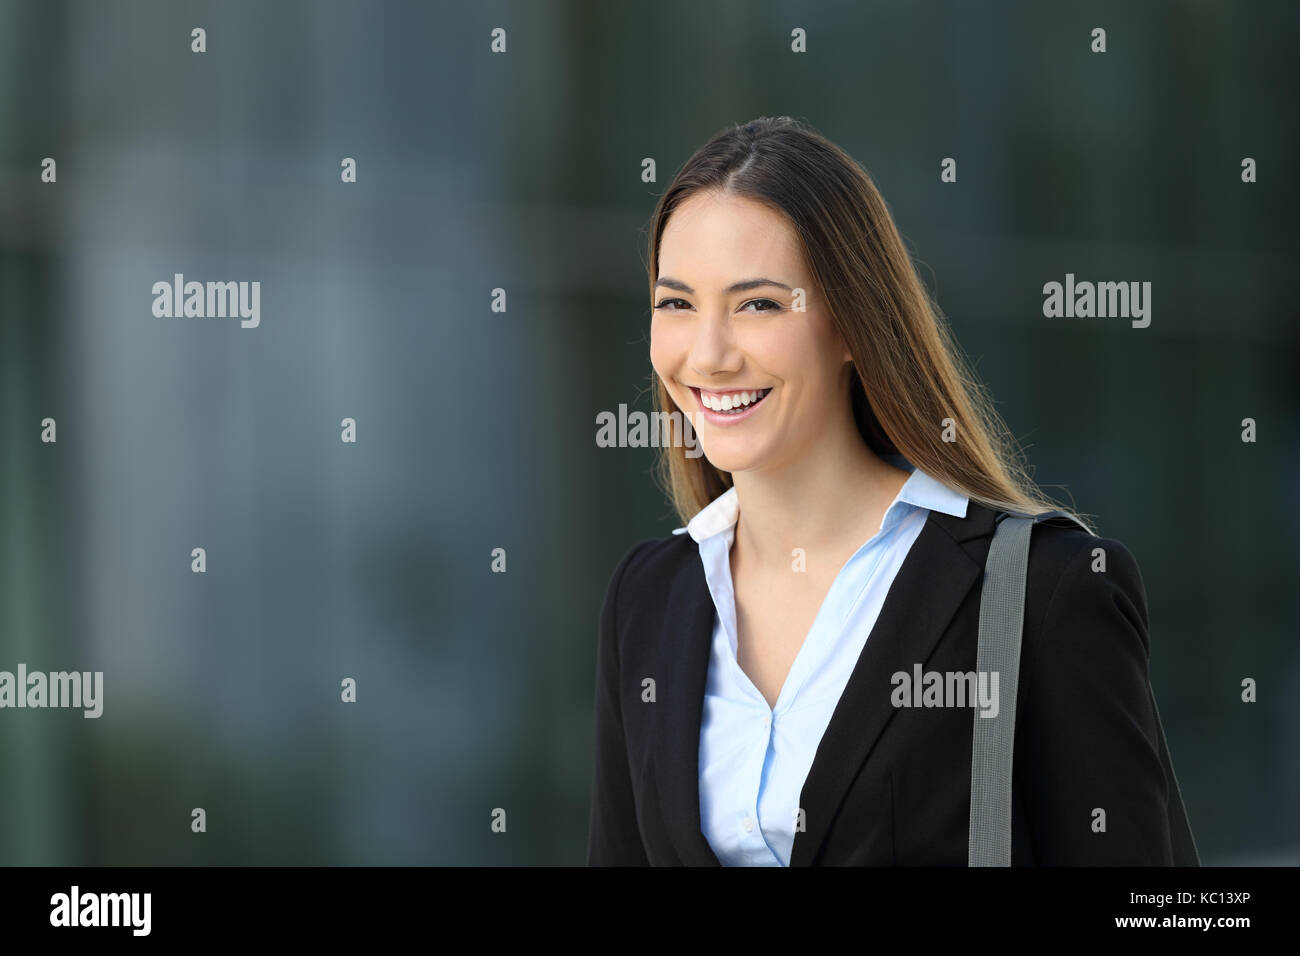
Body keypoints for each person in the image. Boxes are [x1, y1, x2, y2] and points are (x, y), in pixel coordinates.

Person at [587, 116, 1196, 866]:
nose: (708, 355)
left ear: (850, 325)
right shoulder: (649, 598)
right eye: (676, 303)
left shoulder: (1043, 593)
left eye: (759, 304)